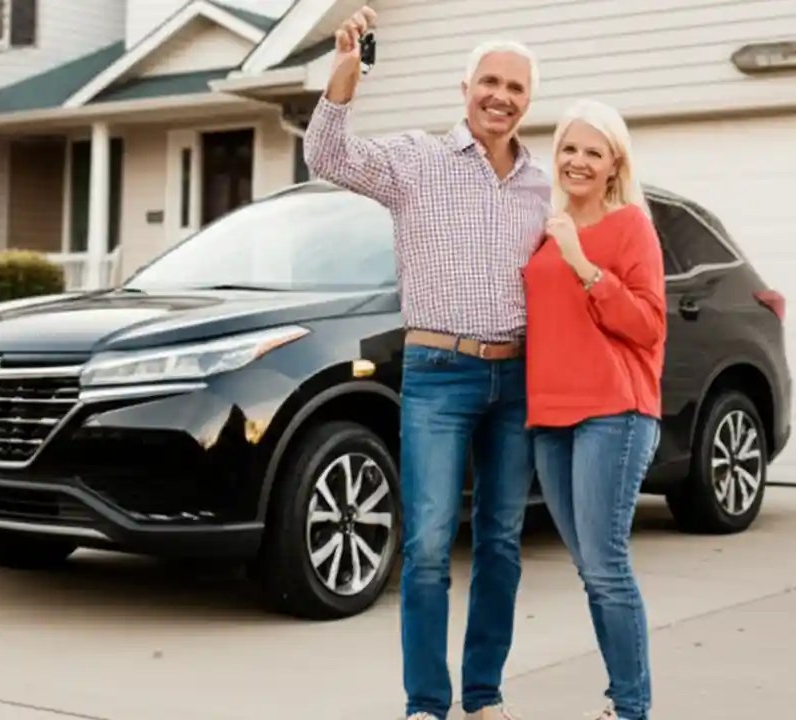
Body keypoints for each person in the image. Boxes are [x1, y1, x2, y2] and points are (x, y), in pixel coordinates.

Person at [302, 7, 549, 720]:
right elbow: (326, 155)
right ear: (464, 86)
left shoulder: (541, 186)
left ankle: (483, 696)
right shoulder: (416, 160)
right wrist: (345, 75)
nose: (501, 97)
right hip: (439, 375)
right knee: (432, 546)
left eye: (516, 89)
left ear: (528, 101)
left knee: (501, 543)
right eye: (490, 82)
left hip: (516, 380)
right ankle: (425, 704)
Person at [520, 98, 667, 720]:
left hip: (616, 411)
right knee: (590, 568)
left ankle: (632, 708)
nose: (578, 161)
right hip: (549, 417)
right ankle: (622, 701)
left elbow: (648, 324)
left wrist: (583, 265)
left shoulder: (629, 224)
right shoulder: (543, 227)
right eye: (569, 149)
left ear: (614, 165)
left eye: (593, 152)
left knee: (606, 566)